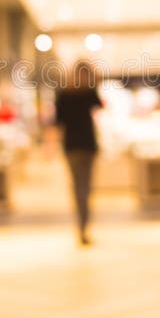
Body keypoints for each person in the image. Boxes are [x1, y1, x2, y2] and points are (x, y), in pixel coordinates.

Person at [54, 61, 103, 245]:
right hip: (87, 145)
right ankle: (83, 226)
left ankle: (81, 226)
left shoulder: (65, 94)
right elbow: (100, 105)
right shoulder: (88, 93)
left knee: (78, 188)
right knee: (86, 188)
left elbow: (57, 122)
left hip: (72, 146)